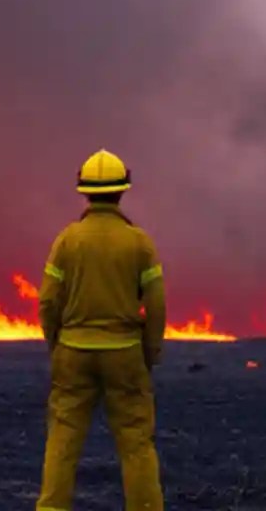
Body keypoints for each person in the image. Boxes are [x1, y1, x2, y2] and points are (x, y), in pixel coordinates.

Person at [35, 149, 166, 511]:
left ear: (85, 191)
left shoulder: (67, 241)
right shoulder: (139, 242)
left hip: (73, 353)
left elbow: (48, 302)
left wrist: (57, 345)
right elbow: (155, 306)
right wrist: (149, 353)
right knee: (136, 443)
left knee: (63, 439)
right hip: (125, 354)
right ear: (122, 191)